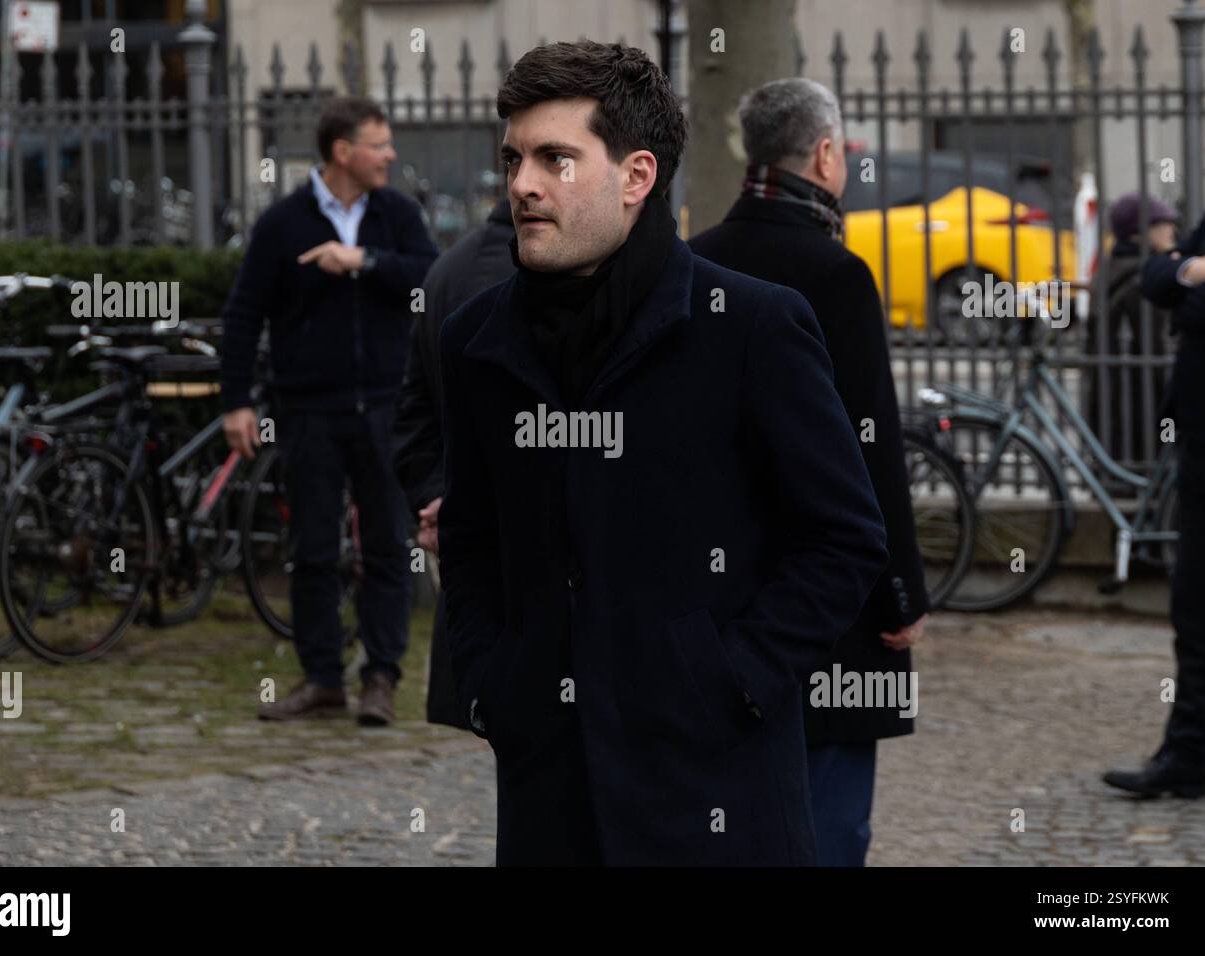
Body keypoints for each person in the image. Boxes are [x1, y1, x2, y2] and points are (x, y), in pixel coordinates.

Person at [438, 41, 888, 866]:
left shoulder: (751, 327)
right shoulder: (476, 340)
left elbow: (845, 538)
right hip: (550, 795)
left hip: (718, 795)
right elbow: (468, 538)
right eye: (512, 159)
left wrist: (731, 678)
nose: (522, 184)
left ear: (635, 176)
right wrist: (493, 682)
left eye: (554, 159)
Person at [690, 78, 929, 866]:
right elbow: (871, 443)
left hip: (722, 581)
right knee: (829, 814)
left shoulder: (696, 260)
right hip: (827, 580)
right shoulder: (836, 272)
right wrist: (901, 593)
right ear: (825, 154)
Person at [220, 97, 438, 723]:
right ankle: (322, 678)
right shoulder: (283, 222)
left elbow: (430, 278)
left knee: (387, 544)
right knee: (313, 548)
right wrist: (236, 402)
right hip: (309, 409)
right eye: (379, 144)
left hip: (385, 406)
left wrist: (364, 261)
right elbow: (244, 313)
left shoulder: (398, 214)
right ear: (343, 152)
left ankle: (381, 677)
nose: (390, 155)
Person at [1104, 99, 1205, 799]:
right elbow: (1154, 278)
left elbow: (1197, 304)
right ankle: (1185, 756)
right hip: (1201, 442)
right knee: (1195, 606)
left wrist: (1188, 278)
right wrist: (1193, 271)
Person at [392, 196, 516, 730]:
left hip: (470, 558)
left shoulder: (447, 268)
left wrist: (437, 496)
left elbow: (413, 408)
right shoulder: (542, 271)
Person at [1084, 193, 1178, 467]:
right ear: (1139, 233)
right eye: (1162, 222)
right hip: (1141, 409)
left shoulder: (1111, 268)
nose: (1171, 228)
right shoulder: (1144, 280)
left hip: (1112, 404)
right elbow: (1159, 351)